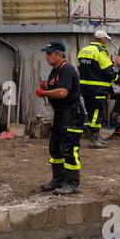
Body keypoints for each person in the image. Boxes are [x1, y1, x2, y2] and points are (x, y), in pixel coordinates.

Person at [36, 41, 84, 194]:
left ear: (59, 54)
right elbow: (54, 86)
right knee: (55, 147)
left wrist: (44, 93)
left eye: (49, 54)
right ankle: (58, 179)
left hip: (72, 113)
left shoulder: (67, 69)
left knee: (69, 148)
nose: (47, 57)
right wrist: (46, 86)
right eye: (46, 54)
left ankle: (72, 183)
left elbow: (63, 92)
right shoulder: (55, 70)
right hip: (61, 113)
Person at [76, 31, 116, 149]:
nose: (107, 41)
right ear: (101, 39)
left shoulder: (83, 50)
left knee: (91, 113)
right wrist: (117, 79)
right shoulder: (99, 51)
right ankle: (94, 140)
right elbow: (108, 70)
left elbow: (80, 67)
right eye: (106, 39)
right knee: (97, 114)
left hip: (85, 88)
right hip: (98, 89)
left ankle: (97, 137)